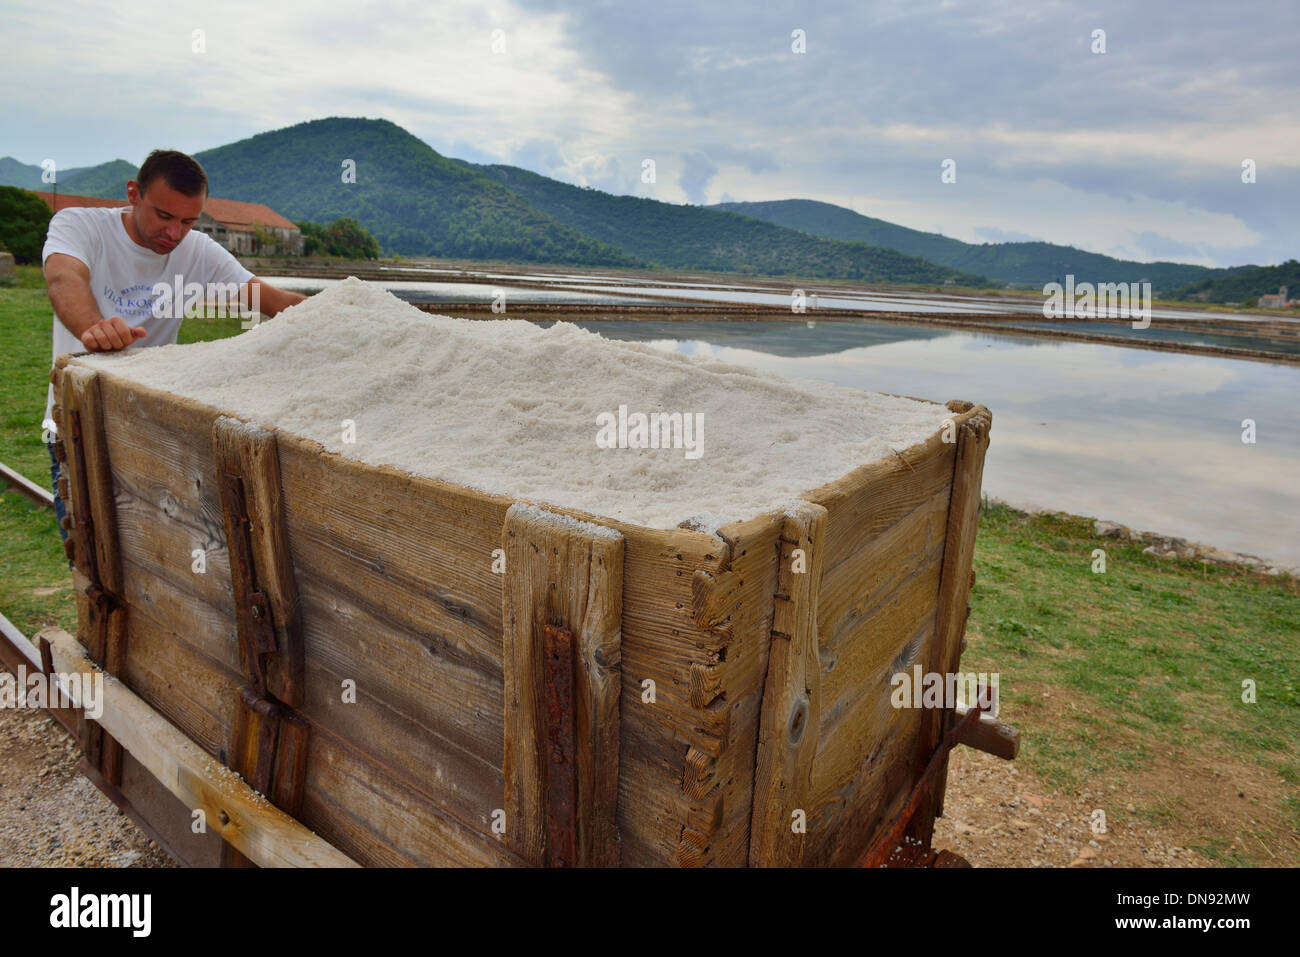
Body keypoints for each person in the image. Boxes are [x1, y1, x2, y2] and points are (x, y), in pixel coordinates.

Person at [42, 149, 306, 560]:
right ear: (134, 193)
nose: (174, 233)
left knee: (159, 556)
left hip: (154, 428)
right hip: (80, 422)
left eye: (188, 221)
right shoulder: (80, 225)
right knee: (92, 554)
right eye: (164, 216)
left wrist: (353, 313)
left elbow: (272, 299)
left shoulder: (198, 252)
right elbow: (63, 276)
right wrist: (93, 327)